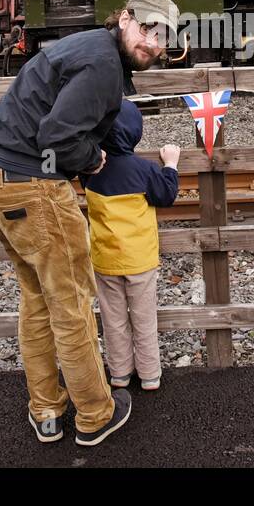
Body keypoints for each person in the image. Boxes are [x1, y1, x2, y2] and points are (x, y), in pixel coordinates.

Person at [0, 0, 179, 447]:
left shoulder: (88, 47)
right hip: (36, 185)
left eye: (163, 38)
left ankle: (46, 409)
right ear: (126, 18)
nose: (153, 43)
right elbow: (58, 138)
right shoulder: (104, 66)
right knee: (70, 305)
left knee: (37, 300)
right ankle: (94, 414)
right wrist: (95, 158)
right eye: (147, 29)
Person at [80, 100, 179, 390]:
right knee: (144, 318)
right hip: (140, 260)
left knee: (113, 320)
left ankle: (120, 373)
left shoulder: (90, 170)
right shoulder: (144, 170)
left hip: (105, 260)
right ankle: (149, 375)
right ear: (135, 132)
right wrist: (171, 164)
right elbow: (167, 194)